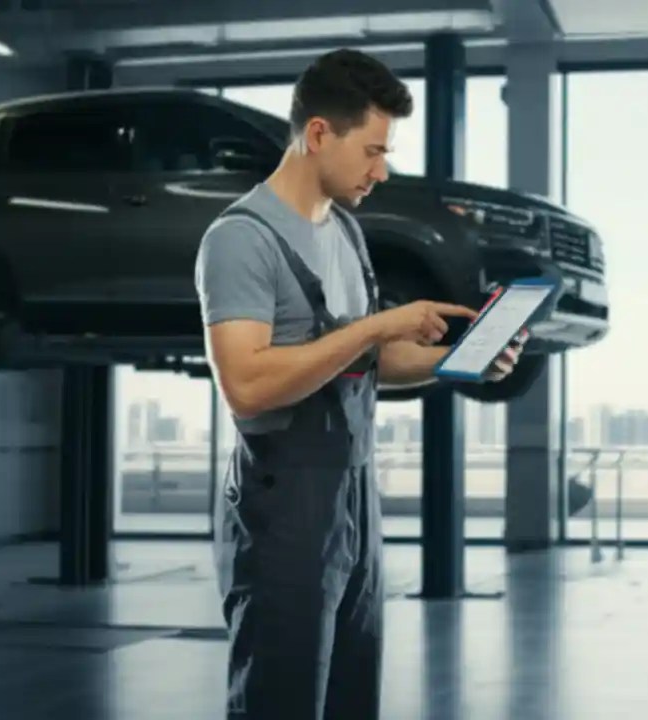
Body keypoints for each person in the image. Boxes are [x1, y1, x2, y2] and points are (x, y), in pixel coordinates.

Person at [194, 48, 524, 719]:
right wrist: (377, 328)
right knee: (279, 703)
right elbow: (248, 385)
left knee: (352, 699)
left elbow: (365, 365)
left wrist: (458, 361)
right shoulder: (239, 241)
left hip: (354, 501)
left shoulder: (345, 230)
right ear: (318, 134)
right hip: (280, 506)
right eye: (373, 150)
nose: (383, 169)